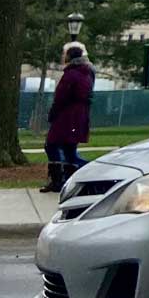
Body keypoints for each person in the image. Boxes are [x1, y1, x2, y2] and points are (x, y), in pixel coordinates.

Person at [43, 44, 95, 193]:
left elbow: (61, 96)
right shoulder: (87, 73)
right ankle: (69, 179)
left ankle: (59, 179)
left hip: (67, 117)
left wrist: (53, 113)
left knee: (51, 145)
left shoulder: (71, 74)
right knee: (69, 149)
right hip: (79, 117)